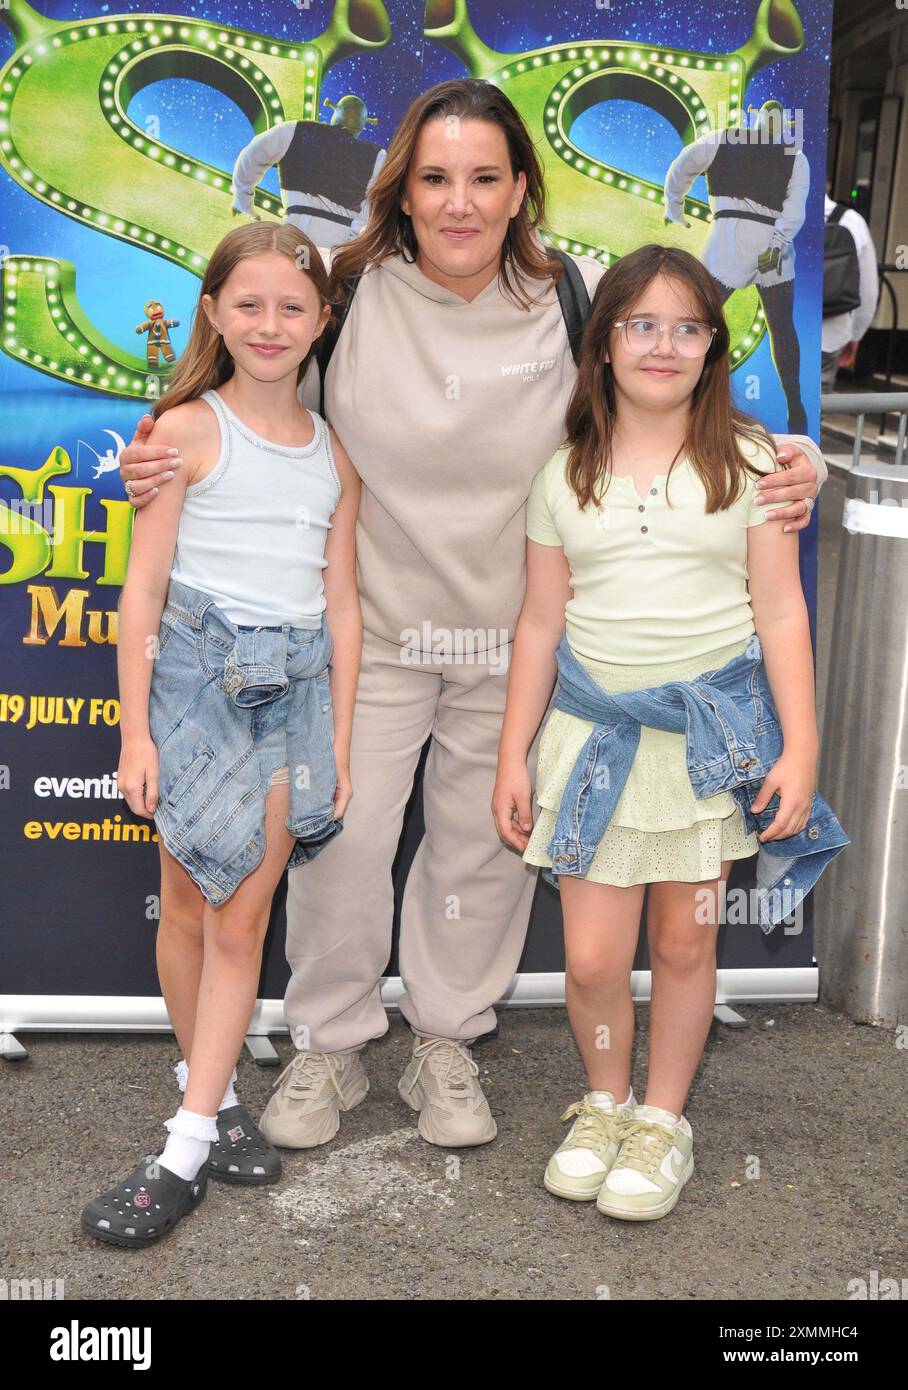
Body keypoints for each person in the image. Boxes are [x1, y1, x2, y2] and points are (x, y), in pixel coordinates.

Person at [116, 79, 827, 1156]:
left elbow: (662, 400)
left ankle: (445, 1038)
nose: (458, 202)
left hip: (518, 643)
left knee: (480, 854)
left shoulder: (568, 296)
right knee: (341, 846)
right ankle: (331, 1041)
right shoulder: (345, 293)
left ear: (517, 191)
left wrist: (794, 456)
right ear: (400, 191)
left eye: (483, 178)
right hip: (364, 635)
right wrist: (162, 455)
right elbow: (250, 400)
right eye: (435, 178)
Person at [492, 243, 829, 1221]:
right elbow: (537, 623)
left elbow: (780, 616)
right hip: (592, 743)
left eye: (687, 328)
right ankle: (603, 1101)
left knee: (683, 946)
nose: (663, 345)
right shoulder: (561, 475)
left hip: (703, 748)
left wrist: (799, 748)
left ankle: (663, 1120)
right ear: (601, 344)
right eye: (641, 324)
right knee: (594, 960)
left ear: (712, 349)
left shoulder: (756, 465)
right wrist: (512, 751)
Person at [81, 222, 362, 1246]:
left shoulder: (336, 457)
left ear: (322, 320)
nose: (270, 324)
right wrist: (134, 733)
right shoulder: (183, 432)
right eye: (248, 304)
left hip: (293, 698)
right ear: (213, 313)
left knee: (243, 922)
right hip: (193, 689)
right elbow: (142, 591)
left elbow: (341, 608)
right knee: (192, 911)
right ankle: (215, 1086)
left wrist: (334, 738)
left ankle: (183, 1147)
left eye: (293, 306)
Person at [663, 100, 809, 433]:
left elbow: (683, 165)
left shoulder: (722, 139)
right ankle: (795, 405)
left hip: (731, 241)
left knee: (696, 322)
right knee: (780, 327)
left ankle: (689, 400)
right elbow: (795, 209)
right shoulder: (795, 157)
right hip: (771, 243)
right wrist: (777, 244)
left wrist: (675, 203)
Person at [232, 95, 386, 247]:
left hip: (295, 234)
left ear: (336, 112)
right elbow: (373, 209)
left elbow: (251, 156)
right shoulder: (378, 157)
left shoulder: (295, 130)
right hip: (337, 245)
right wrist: (350, 245)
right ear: (362, 125)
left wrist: (243, 200)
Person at [821, 190, 879, 386]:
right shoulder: (852, 221)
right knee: (817, 403)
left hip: (774, 331)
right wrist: (856, 335)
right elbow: (868, 290)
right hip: (830, 335)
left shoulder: (773, 214)